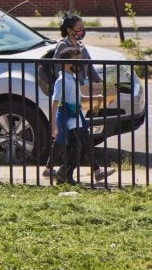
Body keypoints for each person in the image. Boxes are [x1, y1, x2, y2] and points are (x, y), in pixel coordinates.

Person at [43, 14, 115, 182]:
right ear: (69, 30)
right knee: (75, 141)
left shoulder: (81, 47)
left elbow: (89, 67)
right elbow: (57, 68)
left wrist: (101, 85)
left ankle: (65, 172)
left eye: (83, 28)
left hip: (79, 92)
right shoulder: (63, 48)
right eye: (79, 28)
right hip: (69, 99)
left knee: (78, 140)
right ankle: (61, 171)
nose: (82, 31)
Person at [49, 42, 88, 185]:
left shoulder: (73, 79)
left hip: (76, 117)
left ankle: (65, 174)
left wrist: (97, 99)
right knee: (77, 147)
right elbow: (55, 101)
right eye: (76, 61)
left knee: (80, 147)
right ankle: (63, 173)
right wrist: (53, 123)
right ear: (66, 63)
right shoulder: (62, 80)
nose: (78, 64)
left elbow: (79, 98)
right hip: (68, 117)